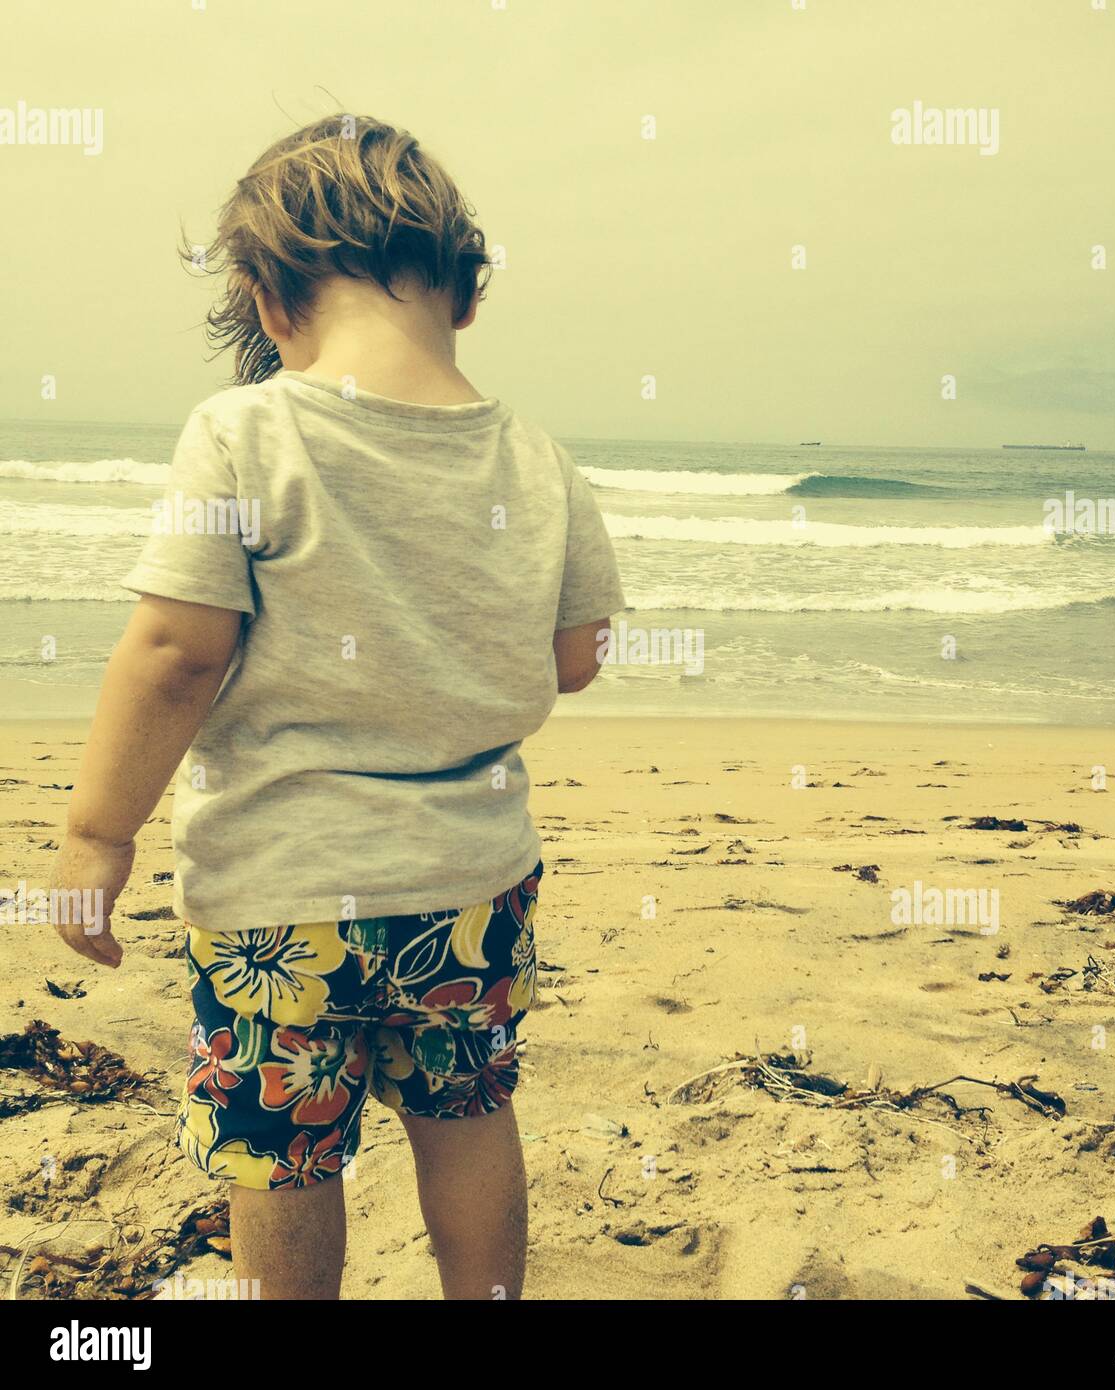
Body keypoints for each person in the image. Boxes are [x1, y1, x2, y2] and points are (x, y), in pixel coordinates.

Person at [50, 114, 624, 1300]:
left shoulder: (243, 432)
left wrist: (98, 832)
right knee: (468, 1116)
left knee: (281, 1157)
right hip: (472, 889)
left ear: (266, 302)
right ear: (467, 297)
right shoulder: (539, 459)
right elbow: (574, 657)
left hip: (282, 897)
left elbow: (172, 653)